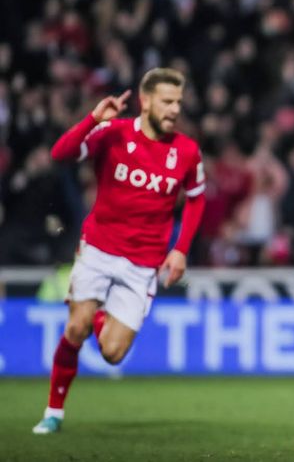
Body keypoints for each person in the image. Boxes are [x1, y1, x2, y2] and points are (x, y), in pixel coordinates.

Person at [32, 68, 206, 434]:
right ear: (146, 101)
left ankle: (97, 314)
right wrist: (93, 118)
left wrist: (181, 250)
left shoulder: (187, 152)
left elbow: (195, 199)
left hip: (143, 264)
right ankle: (54, 411)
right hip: (98, 247)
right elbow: (60, 153)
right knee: (76, 327)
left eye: (178, 102)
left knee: (112, 353)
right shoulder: (114, 134)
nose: (175, 109)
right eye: (167, 101)